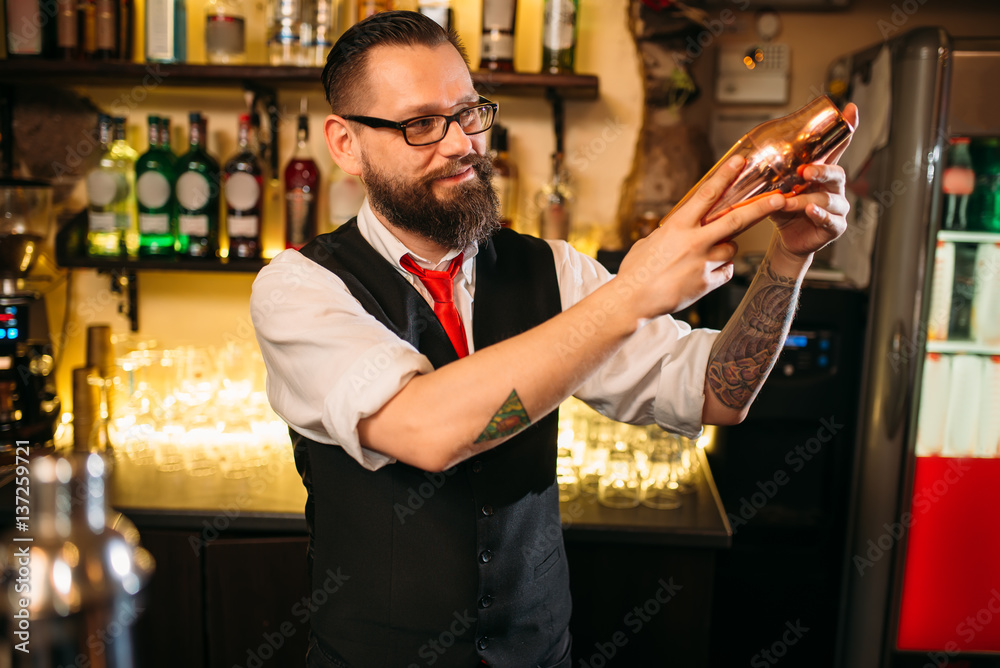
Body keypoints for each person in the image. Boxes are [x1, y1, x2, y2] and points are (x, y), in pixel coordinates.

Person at [250, 10, 858, 668]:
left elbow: (717, 391)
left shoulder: (554, 269)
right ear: (345, 144)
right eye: (422, 123)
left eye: (468, 113)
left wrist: (787, 260)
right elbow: (428, 432)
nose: (460, 144)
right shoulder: (298, 288)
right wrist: (632, 291)